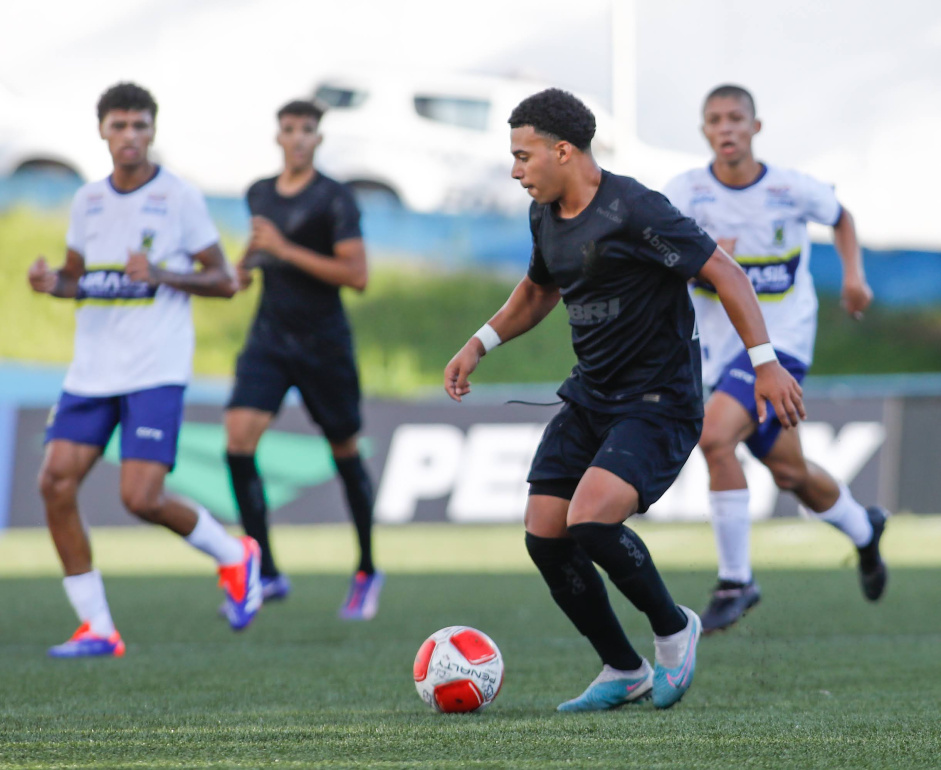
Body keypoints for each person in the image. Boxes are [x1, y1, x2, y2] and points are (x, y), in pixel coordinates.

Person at [444, 88, 805, 711]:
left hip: (658, 400)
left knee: (590, 518)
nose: (514, 169)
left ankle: (674, 629)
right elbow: (539, 290)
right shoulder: (545, 215)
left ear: (564, 150)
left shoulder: (635, 208)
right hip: (591, 396)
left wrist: (765, 363)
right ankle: (622, 668)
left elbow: (725, 272)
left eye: (523, 155)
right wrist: (480, 343)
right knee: (545, 534)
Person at [27, 82, 262, 658]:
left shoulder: (178, 197)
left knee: (141, 497)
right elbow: (79, 279)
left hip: (154, 368)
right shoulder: (87, 201)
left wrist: (162, 273)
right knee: (54, 483)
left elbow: (225, 282)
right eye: (119, 126)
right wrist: (50, 282)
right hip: (92, 371)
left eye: (139, 126)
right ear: (102, 131)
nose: (129, 136)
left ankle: (236, 556)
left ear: (153, 131)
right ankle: (98, 628)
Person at [662, 84, 888, 635]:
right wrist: (702, 265)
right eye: (715, 119)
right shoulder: (685, 194)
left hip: (780, 345)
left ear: (755, 127)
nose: (727, 128)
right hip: (718, 351)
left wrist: (853, 276)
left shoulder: (790, 187)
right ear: (705, 131)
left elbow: (842, 217)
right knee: (790, 472)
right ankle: (864, 529)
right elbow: (656, 257)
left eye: (736, 117)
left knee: (715, 437)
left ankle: (736, 581)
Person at [224, 98, 383, 620]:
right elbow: (259, 249)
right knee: (237, 441)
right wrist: (244, 265)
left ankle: (366, 569)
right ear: (277, 136)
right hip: (269, 339)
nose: (296, 137)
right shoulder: (259, 192)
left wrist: (285, 249)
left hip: (323, 345)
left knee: (344, 451)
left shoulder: (334, 199)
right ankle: (266, 570)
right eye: (289, 128)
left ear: (318, 139)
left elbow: (356, 276)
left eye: (307, 130)